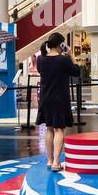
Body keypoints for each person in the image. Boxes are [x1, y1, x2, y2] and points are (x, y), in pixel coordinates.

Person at [35, 31, 80, 171]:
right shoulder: (64, 60)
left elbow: (42, 72)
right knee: (59, 129)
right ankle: (56, 162)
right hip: (60, 98)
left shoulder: (41, 60)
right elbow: (77, 72)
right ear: (61, 44)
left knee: (49, 128)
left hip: (45, 98)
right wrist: (71, 55)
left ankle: (49, 161)